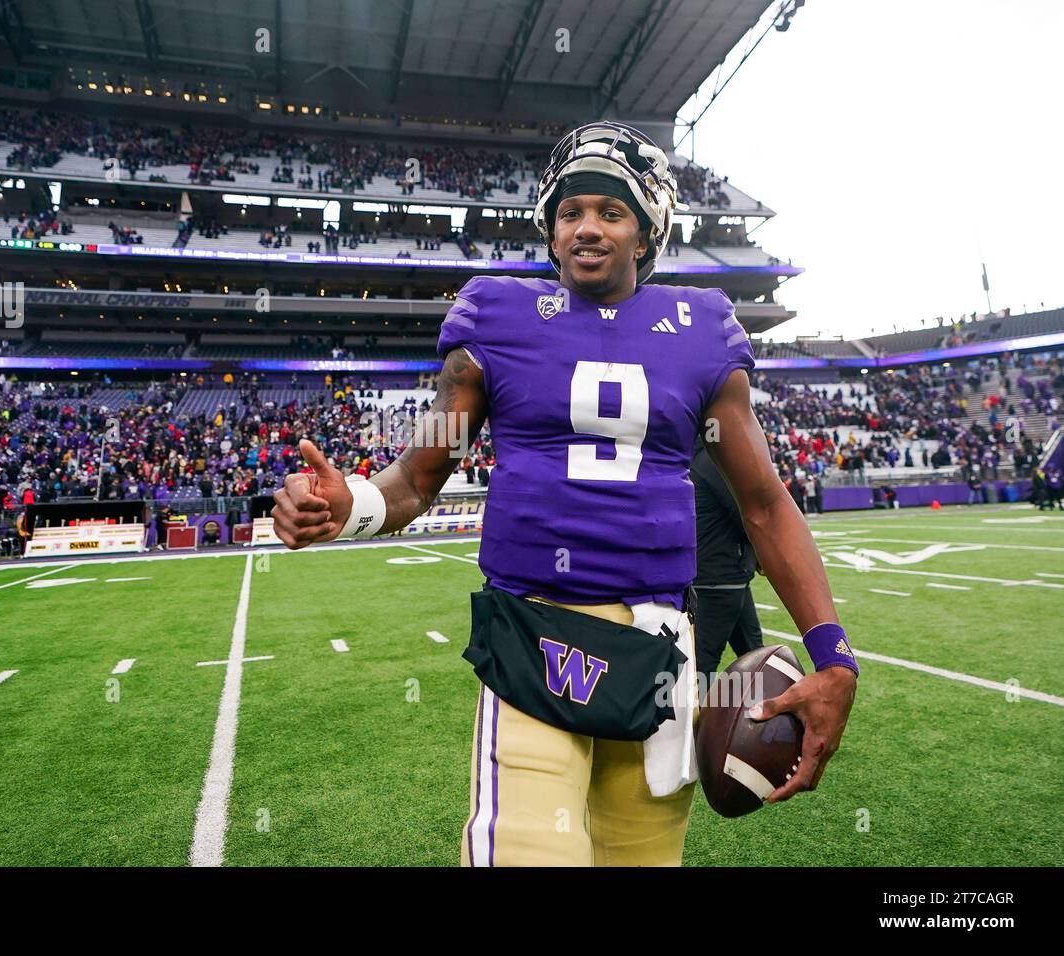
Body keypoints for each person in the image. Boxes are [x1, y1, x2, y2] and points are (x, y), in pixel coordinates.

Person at [272, 121, 857, 867]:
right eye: (570, 211)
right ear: (549, 232)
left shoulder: (701, 329)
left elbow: (765, 505)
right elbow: (420, 478)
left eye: (612, 212)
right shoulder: (497, 318)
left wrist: (834, 659)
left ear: (646, 233)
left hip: (656, 652)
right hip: (535, 639)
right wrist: (348, 505)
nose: (587, 227)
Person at [690, 436, 762, 687]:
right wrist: (762, 554)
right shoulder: (711, 462)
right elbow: (746, 514)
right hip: (721, 576)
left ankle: (766, 717)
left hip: (722, 575)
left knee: (755, 655)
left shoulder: (694, 461)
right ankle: (689, 722)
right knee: (703, 663)